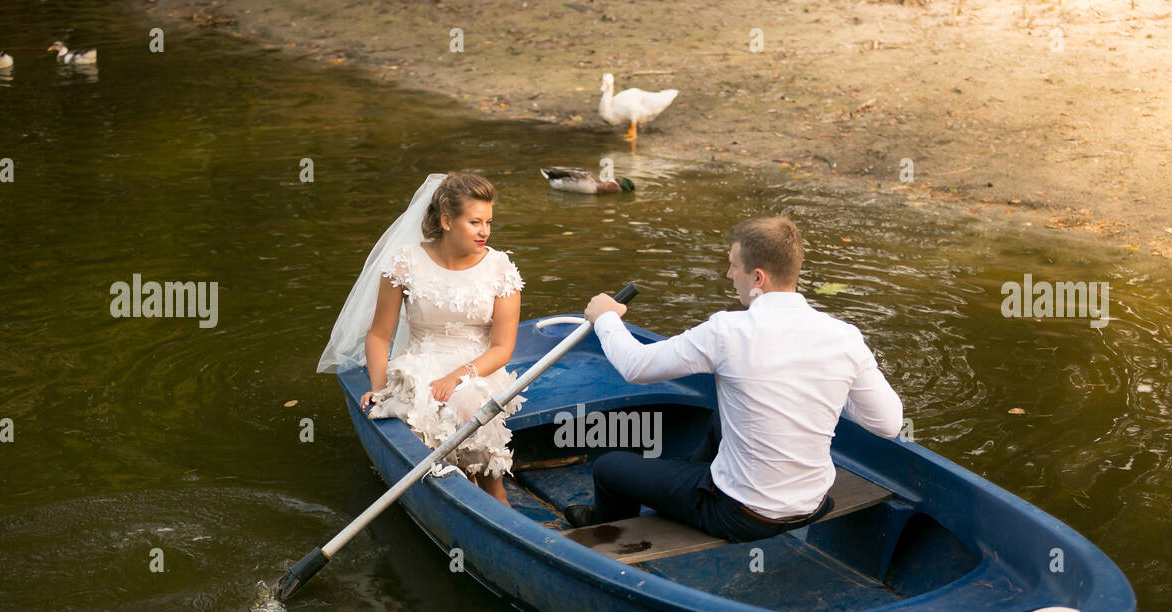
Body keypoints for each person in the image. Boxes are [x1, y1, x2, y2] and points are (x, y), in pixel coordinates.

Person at [568, 216, 904, 542]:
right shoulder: (845, 336)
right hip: (813, 504)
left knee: (609, 469)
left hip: (740, 515)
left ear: (758, 277)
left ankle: (607, 529)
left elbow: (636, 367)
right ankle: (687, 480)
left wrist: (606, 318)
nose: (730, 275)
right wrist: (826, 390)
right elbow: (888, 424)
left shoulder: (727, 332)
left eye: (733, 265)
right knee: (720, 419)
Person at [317, 173, 525, 504]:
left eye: (488, 222)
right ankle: (456, 486)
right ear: (446, 221)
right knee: (422, 404)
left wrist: (457, 376)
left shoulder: (500, 269)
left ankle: (494, 494)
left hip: (477, 367)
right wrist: (380, 387)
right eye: (475, 222)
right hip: (420, 363)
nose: (485, 231)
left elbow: (503, 348)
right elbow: (378, 335)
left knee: (469, 401)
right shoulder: (406, 262)